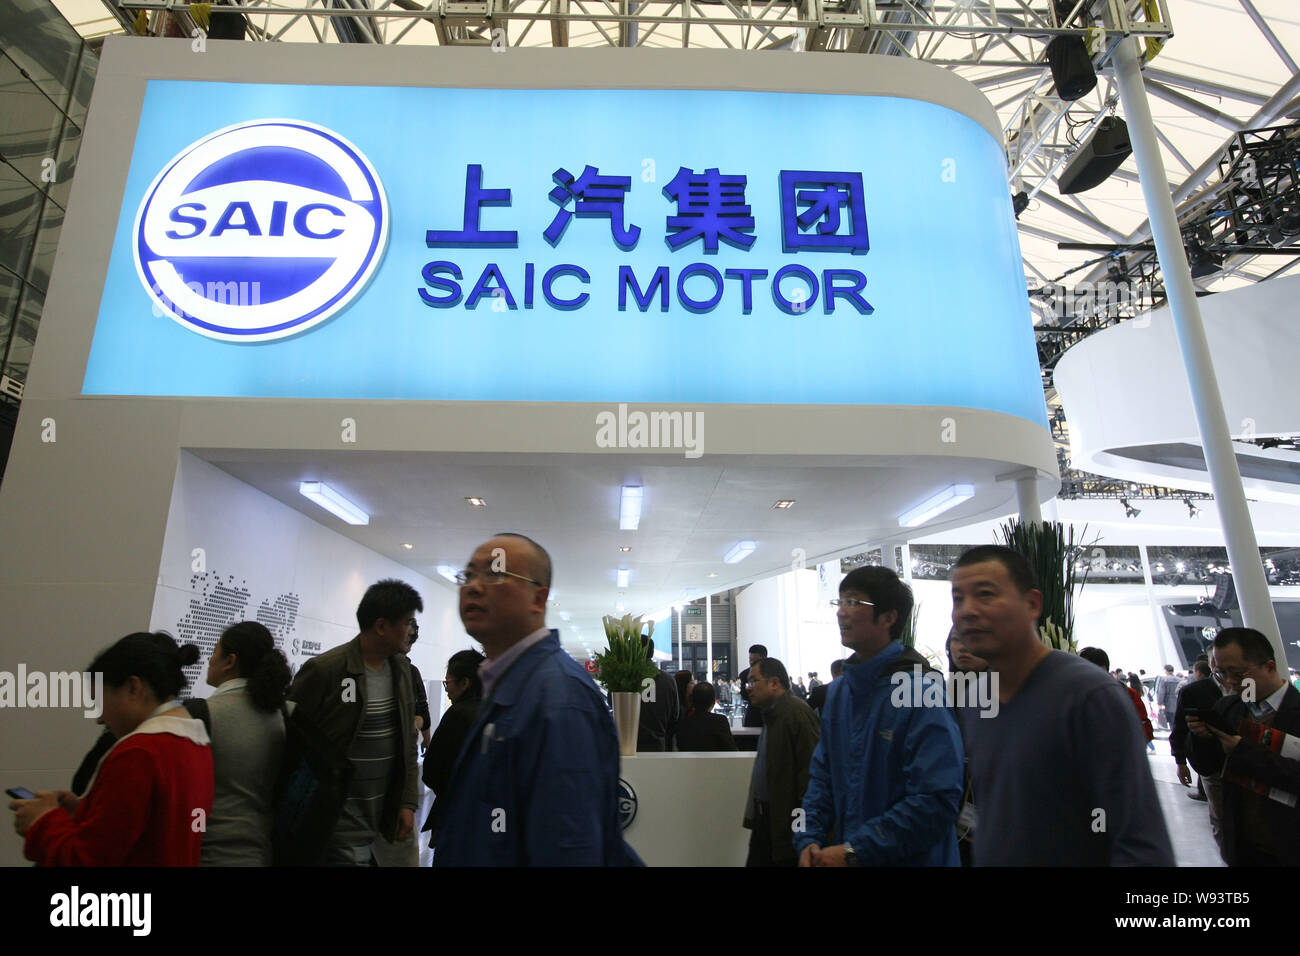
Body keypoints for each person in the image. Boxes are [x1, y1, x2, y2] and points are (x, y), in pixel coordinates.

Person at [951, 545, 1174, 866]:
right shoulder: (975, 699)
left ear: (1032, 604)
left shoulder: (1089, 696)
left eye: (985, 594)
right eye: (958, 598)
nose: (967, 610)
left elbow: (1141, 841)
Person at [434, 533, 640, 865]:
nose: (474, 586)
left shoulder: (559, 699)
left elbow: (568, 850)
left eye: (495, 573)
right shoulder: (510, 685)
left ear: (538, 599)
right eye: (469, 574)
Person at [797, 567, 964, 867]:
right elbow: (822, 778)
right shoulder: (839, 693)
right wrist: (808, 837)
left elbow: (936, 800)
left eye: (854, 602)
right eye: (840, 602)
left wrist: (856, 851)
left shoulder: (920, 692)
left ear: (889, 618)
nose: (841, 613)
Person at [11, 632, 213, 866]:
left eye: (99, 701)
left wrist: (42, 821)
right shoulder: (196, 744)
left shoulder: (139, 753)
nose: (99, 718)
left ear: (133, 687)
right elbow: (158, 832)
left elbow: (87, 860)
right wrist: (88, 811)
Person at [287, 578, 422, 866]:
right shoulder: (326, 670)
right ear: (382, 626)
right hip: (334, 824)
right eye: (407, 622)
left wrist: (408, 802)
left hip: (383, 821)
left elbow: (408, 742)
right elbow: (290, 740)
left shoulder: (402, 670)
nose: (411, 631)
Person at [1187, 627, 1300, 866]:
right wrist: (1201, 737)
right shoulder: (1228, 708)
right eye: (1220, 674)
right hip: (1243, 846)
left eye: (1238, 675)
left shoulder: (1296, 711)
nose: (1230, 683)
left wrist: (1242, 751)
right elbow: (1207, 767)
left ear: (1269, 667)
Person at [201, 621, 291, 866]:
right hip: (261, 852)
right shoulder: (286, 715)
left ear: (230, 661)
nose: (210, 660)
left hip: (208, 854)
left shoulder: (201, 714)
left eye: (214, 652)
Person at [742, 657, 819, 867]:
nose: (748, 688)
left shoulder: (797, 715)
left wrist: (803, 832)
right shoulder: (771, 715)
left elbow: (810, 779)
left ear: (774, 683)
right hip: (765, 823)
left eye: (753, 681)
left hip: (785, 828)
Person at [421, 649, 485, 847]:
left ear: (465, 683)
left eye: (448, 682)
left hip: (455, 815)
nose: (446, 689)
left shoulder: (457, 715)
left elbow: (432, 771)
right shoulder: (494, 710)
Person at [1172, 656, 1224, 854]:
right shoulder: (1193, 691)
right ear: (1212, 665)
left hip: (1244, 763)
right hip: (1211, 765)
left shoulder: (1246, 687)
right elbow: (1179, 728)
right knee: (1221, 819)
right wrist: (1180, 761)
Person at [946, 627, 987, 867]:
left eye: (972, 639)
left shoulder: (1008, 693)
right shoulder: (939, 692)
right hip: (953, 808)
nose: (961, 647)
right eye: (955, 640)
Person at [1079, 647, 1155, 753]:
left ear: (1106, 669)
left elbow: (1145, 727)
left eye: (1097, 670)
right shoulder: (1074, 694)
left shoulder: (1125, 693)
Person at [637, 642, 680, 752]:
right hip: (658, 745)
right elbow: (674, 716)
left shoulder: (623, 678)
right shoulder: (668, 680)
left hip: (629, 747)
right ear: (651, 652)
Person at [674, 682, 738, 752]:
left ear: (692, 701)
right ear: (713, 702)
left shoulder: (683, 722)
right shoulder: (720, 721)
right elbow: (730, 748)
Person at [737, 644, 768, 728]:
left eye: (755, 660)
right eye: (750, 659)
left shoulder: (774, 672)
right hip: (754, 714)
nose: (751, 663)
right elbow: (744, 694)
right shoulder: (745, 674)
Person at [1155, 663, 1180, 731]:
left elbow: (1162, 692)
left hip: (1169, 704)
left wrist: (1160, 703)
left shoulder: (1164, 680)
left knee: (1172, 723)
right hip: (1179, 704)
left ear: (1166, 670)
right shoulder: (1179, 679)